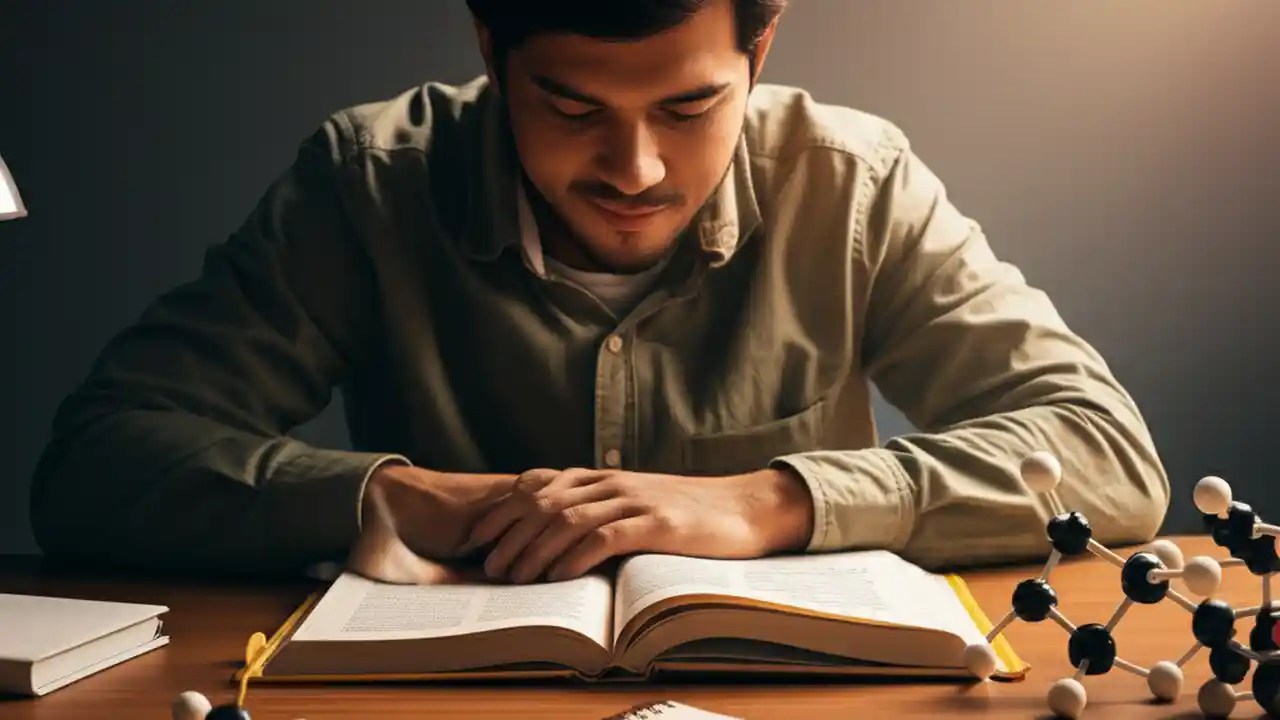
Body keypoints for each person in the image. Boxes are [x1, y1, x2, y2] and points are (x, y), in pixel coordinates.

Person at [30, 0, 1169, 585]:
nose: (634, 171)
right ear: (490, 47)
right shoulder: (366, 182)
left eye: (689, 108)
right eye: (572, 108)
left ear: (761, 48)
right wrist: (409, 500)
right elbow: (96, 465)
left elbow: (1106, 457)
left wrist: (767, 503)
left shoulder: (853, 182)